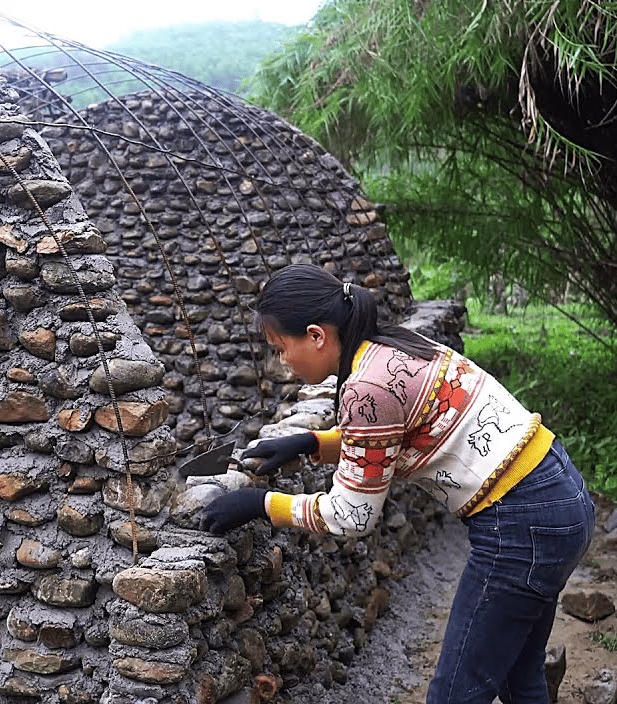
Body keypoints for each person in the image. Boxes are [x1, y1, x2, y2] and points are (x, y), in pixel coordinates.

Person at [198, 264, 595, 704]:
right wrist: (313, 442)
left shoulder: (367, 388)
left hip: (522, 526)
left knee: (455, 694)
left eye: (280, 347)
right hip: (559, 496)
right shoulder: (392, 347)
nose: (282, 362)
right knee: (518, 676)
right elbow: (392, 436)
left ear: (315, 335)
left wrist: (262, 504)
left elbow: (352, 516)